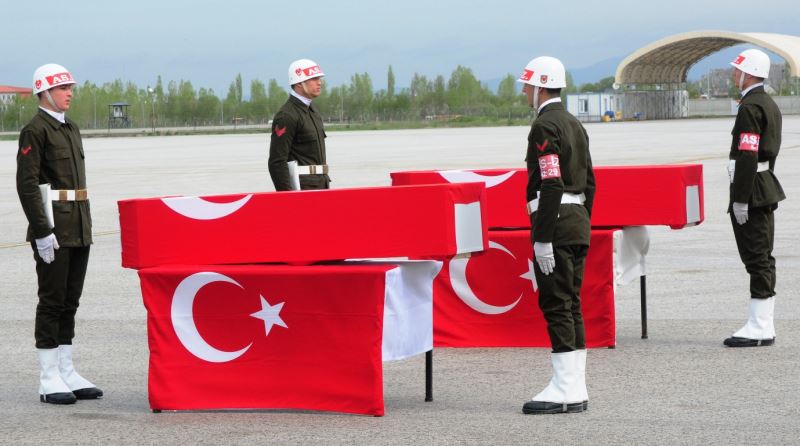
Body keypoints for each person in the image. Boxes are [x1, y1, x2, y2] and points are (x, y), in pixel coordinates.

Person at [16, 63, 103, 404]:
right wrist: (41, 231)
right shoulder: (35, 130)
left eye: (70, 87)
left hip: (78, 226)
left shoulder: (71, 128)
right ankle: (48, 376)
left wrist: (84, 228)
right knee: (52, 301)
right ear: (45, 92)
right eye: (63, 87)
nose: (69, 92)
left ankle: (66, 370)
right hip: (53, 228)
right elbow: (27, 183)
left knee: (70, 301)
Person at [519, 56, 595, 414]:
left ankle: (565, 387)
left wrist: (544, 236)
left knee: (557, 305)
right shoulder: (574, 124)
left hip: (557, 223)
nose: (523, 91)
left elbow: (550, 181)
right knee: (572, 303)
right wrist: (581, 219)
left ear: (540, 86)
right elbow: (590, 182)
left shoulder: (545, 126)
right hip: (576, 220)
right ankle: (575, 386)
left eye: (527, 85)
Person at [723, 49, 785, 348]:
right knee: (762, 256)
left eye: (737, 71)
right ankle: (762, 322)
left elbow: (747, 154)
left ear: (748, 73)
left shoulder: (750, 107)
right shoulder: (769, 103)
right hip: (764, 184)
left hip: (752, 189)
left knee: (756, 258)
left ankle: (760, 325)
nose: (734, 75)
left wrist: (740, 198)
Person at [268, 58, 330, 191]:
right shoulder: (286, 115)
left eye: (319, 78)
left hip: (321, 186)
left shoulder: (313, 112)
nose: (319, 83)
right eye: (314, 79)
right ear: (299, 83)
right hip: (301, 190)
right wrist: (288, 199)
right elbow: (277, 162)